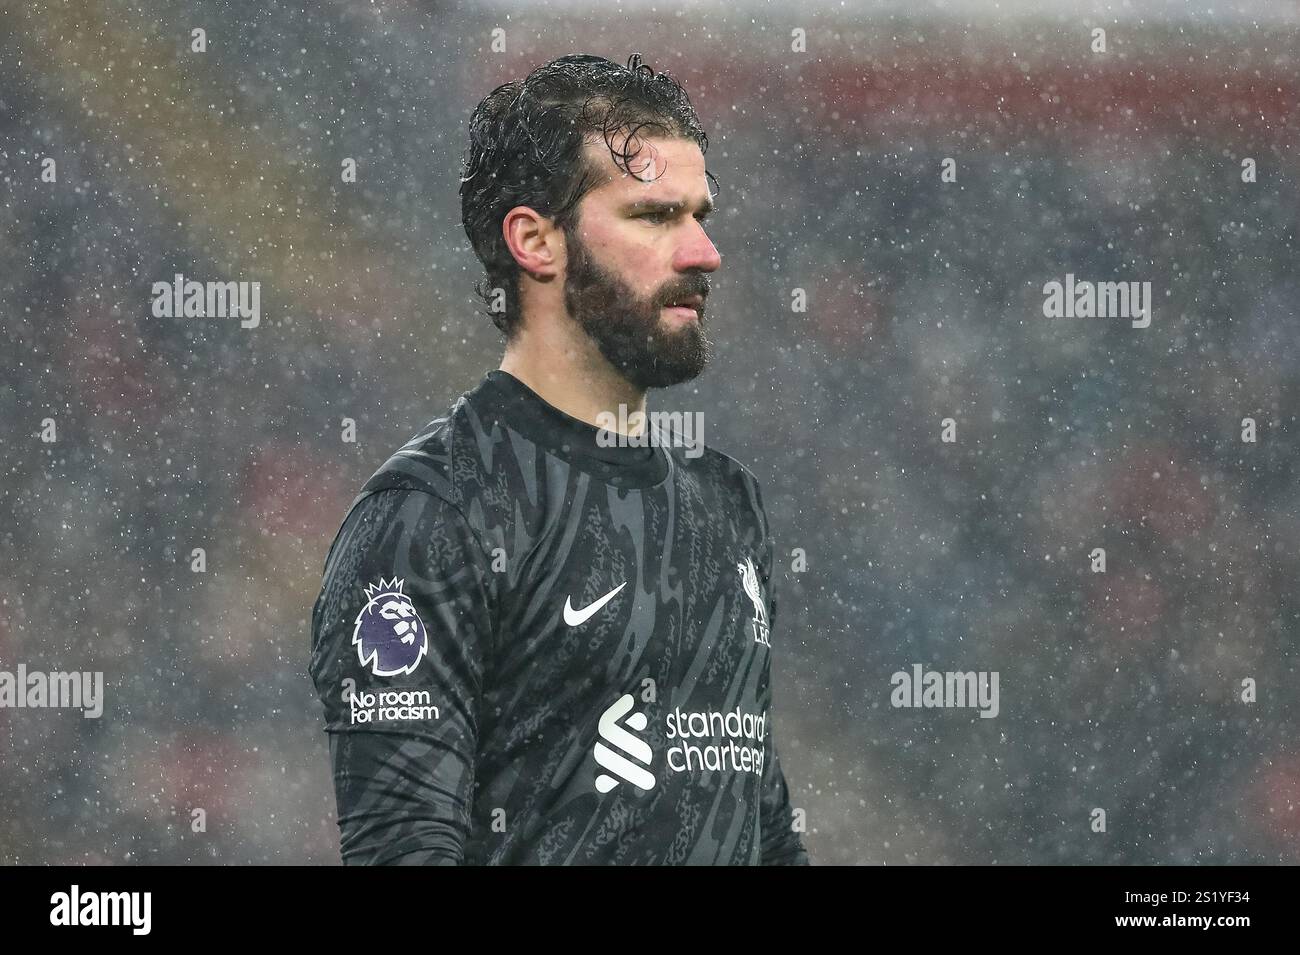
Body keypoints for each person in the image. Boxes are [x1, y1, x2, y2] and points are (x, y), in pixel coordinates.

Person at [309, 52, 810, 864]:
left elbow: (765, 830)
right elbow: (405, 849)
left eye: (700, 215)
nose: (703, 252)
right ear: (536, 241)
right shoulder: (436, 513)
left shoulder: (729, 505)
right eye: (654, 216)